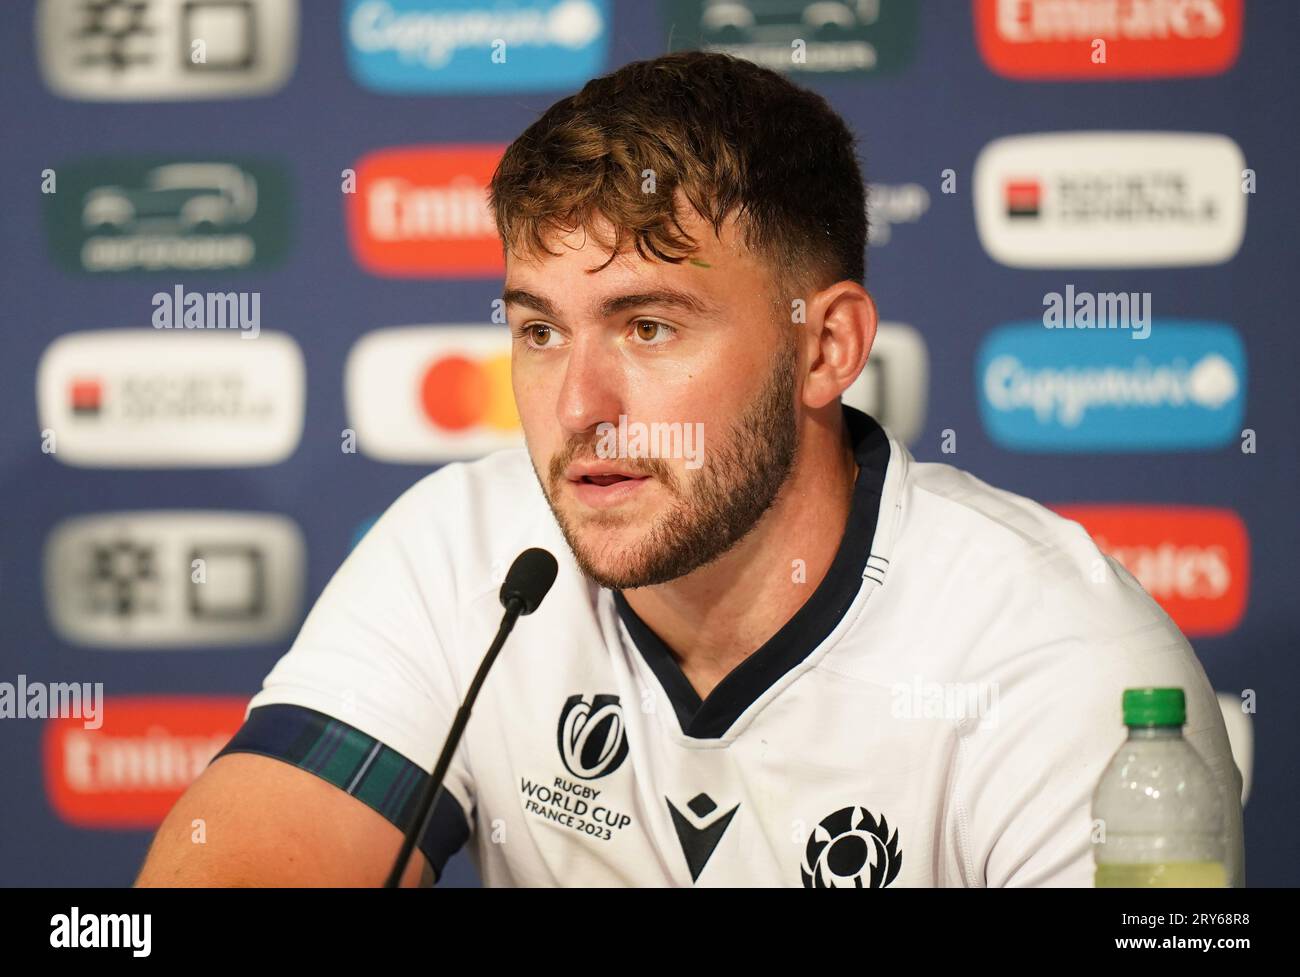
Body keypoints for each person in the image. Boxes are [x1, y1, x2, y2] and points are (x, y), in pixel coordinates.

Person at [136, 51, 1244, 888]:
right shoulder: (469, 548)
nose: (578, 409)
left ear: (825, 347)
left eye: (649, 326)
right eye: (538, 330)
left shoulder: (1067, 666)